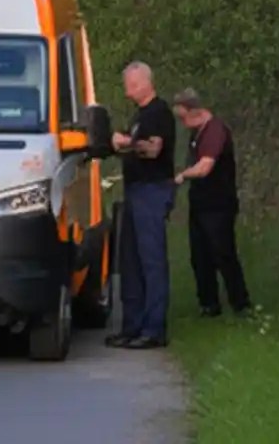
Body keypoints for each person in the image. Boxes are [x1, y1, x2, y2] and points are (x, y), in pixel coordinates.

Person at [105, 61, 176, 350]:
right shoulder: (140, 116)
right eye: (126, 84)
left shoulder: (159, 112)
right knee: (130, 260)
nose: (127, 89)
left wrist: (125, 143)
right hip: (134, 190)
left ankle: (153, 329)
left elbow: (153, 149)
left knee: (151, 260)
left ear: (145, 82)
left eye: (131, 83)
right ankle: (131, 326)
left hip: (153, 191)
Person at [172, 88, 251, 317]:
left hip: (218, 204)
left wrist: (183, 175)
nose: (183, 123)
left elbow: (205, 166)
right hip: (200, 203)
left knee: (223, 253)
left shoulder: (214, 131)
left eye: (183, 117)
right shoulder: (196, 133)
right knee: (200, 256)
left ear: (195, 111)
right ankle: (208, 304)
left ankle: (240, 303)